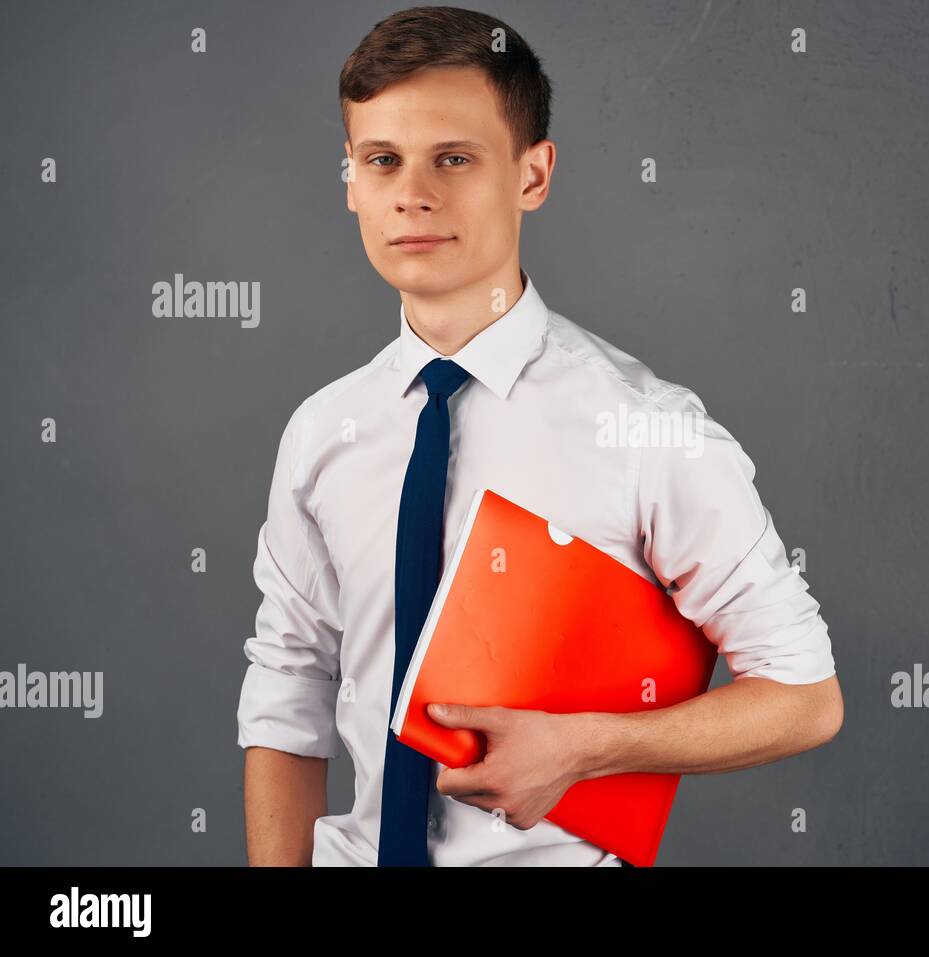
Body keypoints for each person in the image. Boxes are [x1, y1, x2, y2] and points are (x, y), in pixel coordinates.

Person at [236, 4, 843, 867]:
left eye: (454, 157)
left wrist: (588, 748)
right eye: (381, 161)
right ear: (350, 182)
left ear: (532, 174)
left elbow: (806, 696)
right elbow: (288, 689)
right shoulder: (321, 432)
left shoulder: (646, 424)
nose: (412, 194)